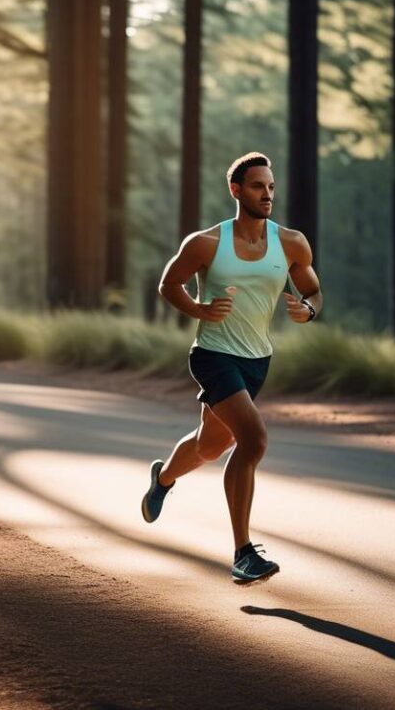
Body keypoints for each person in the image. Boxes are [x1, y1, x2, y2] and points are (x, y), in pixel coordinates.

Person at [141, 151, 323, 584]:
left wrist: (308, 311)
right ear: (236, 190)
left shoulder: (292, 242)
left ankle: (163, 477)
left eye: (272, 187)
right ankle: (244, 552)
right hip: (213, 356)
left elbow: (313, 290)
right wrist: (200, 310)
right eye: (258, 186)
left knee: (210, 446)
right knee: (253, 440)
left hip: (257, 360)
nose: (267, 194)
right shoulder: (206, 243)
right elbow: (169, 284)